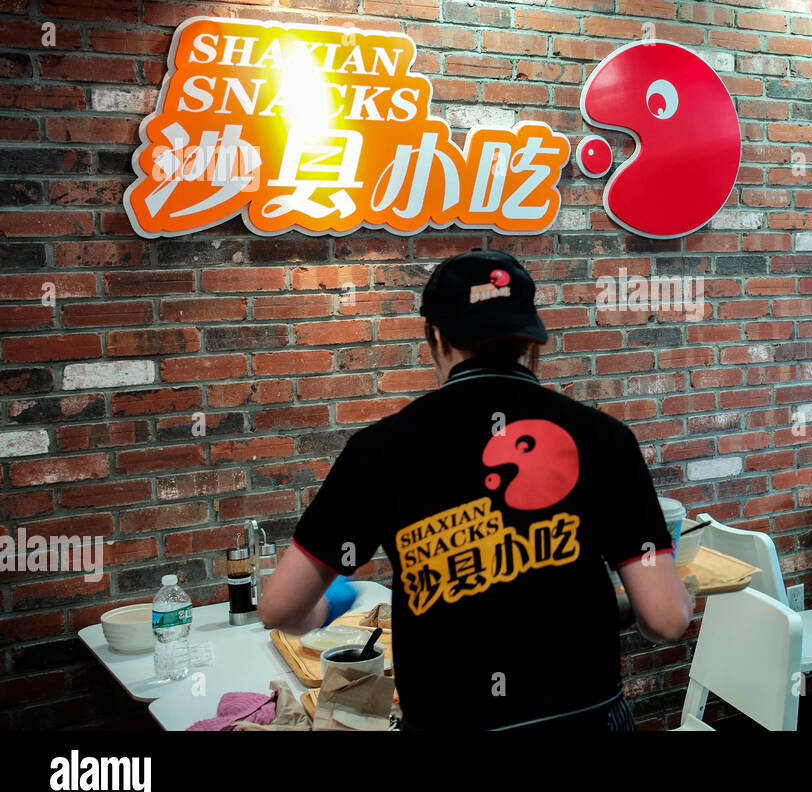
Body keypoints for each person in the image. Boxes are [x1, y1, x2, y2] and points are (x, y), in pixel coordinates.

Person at [258, 249, 693, 730]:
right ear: (531, 344)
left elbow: (279, 608)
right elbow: (667, 619)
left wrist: (323, 608)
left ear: (437, 337)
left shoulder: (379, 450)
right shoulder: (605, 438)